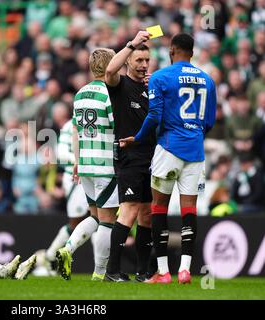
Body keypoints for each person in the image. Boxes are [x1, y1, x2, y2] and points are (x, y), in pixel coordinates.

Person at [121, 33, 217, 284]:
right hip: (195, 152)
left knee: (158, 209)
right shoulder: (207, 80)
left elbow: (153, 116)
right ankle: (185, 270)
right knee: (189, 211)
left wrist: (139, 138)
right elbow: (209, 122)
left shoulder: (161, 77)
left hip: (168, 148)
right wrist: (192, 132)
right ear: (192, 53)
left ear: (172, 50)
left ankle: (163, 273)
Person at [56, 48, 119, 281]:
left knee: (94, 216)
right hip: (106, 164)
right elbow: (117, 127)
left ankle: (68, 249)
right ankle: (99, 274)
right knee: (107, 220)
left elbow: (75, 128)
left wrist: (78, 161)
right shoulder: (110, 93)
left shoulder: (81, 93)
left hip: (86, 165)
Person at [104, 30, 155, 282]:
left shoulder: (152, 87)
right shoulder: (120, 85)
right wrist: (131, 44)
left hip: (153, 157)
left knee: (147, 213)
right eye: (138, 60)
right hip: (129, 156)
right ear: (128, 61)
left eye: (146, 60)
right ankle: (111, 271)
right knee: (129, 210)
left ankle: (143, 272)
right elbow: (109, 72)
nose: (143, 65)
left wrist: (157, 88)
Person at [41, 118, 90, 273]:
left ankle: (103, 267)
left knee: (101, 219)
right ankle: (50, 257)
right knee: (76, 223)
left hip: (97, 176)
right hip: (75, 179)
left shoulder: (100, 119)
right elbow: (61, 154)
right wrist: (81, 161)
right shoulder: (69, 125)